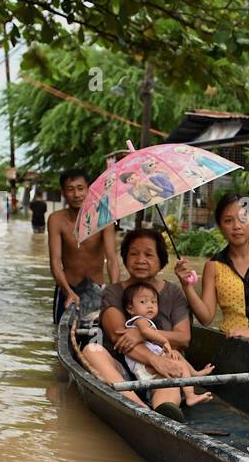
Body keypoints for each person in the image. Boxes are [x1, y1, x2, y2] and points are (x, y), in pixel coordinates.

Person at [82, 229, 209, 414]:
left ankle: (163, 413)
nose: (140, 260)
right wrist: (152, 358)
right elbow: (120, 336)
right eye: (133, 254)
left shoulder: (173, 292)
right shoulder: (113, 292)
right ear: (125, 258)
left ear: (161, 260)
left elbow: (183, 338)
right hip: (123, 373)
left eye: (148, 254)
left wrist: (142, 335)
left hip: (164, 370)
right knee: (91, 350)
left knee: (169, 376)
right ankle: (140, 410)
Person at [178, 192, 249, 348]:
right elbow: (206, 318)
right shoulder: (213, 266)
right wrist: (187, 287)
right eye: (228, 220)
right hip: (233, 348)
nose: (236, 226)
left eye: (243, 219)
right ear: (220, 226)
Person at [120, 280, 212, 410]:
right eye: (143, 302)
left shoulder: (145, 321)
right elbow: (146, 332)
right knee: (178, 363)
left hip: (149, 365)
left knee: (176, 354)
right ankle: (190, 395)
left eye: (153, 302)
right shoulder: (140, 320)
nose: (150, 305)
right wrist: (164, 341)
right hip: (143, 366)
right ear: (130, 308)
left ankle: (194, 374)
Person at [48, 168, 119, 324]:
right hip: (67, 288)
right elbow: (55, 262)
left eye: (81, 188)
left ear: (89, 189)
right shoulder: (56, 220)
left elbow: (112, 259)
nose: (76, 194)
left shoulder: (104, 217)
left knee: (96, 337)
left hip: (96, 288)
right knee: (59, 337)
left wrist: (114, 293)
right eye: (70, 189)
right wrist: (68, 292)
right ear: (63, 193)